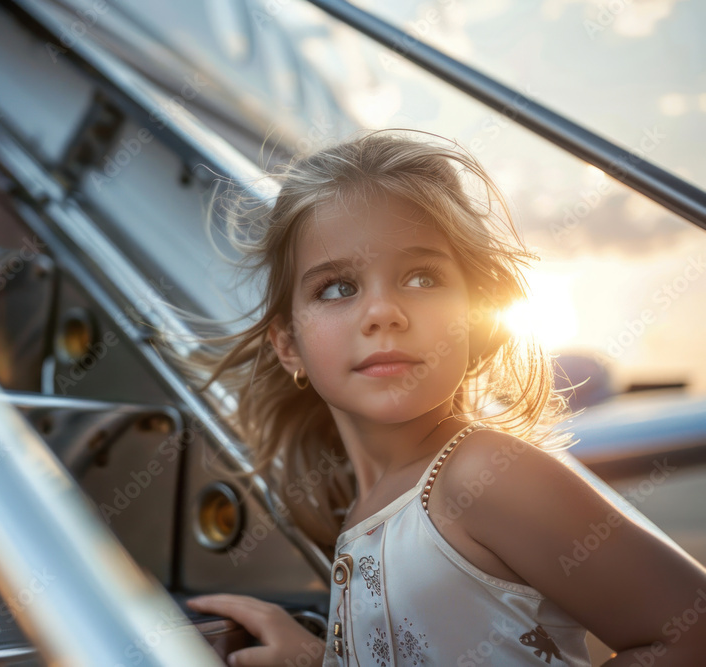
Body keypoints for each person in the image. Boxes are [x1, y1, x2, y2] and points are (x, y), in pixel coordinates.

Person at [156, 130, 706, 665]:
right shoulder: (359, 510)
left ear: (478, 317)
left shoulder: (486, 473)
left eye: (421, 278)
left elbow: (692, 633)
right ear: (288, 345)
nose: (382, 312)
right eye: (338, 288)